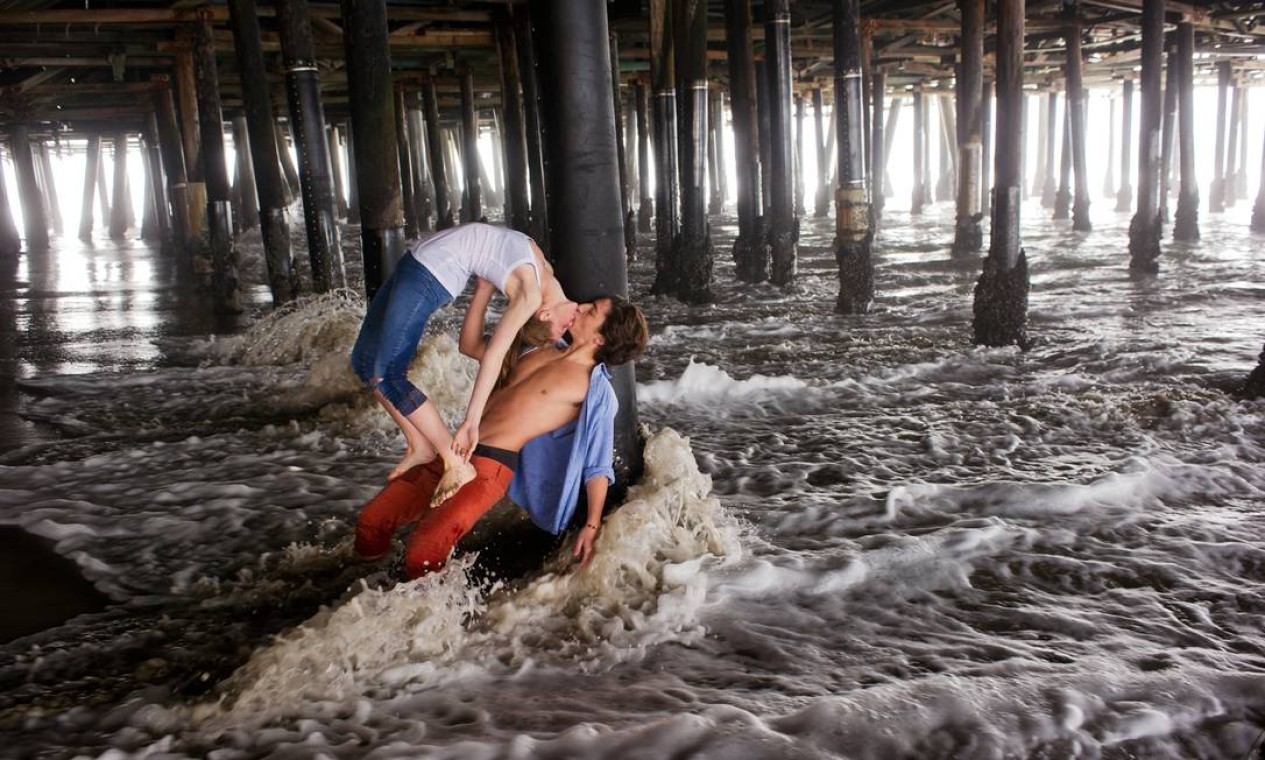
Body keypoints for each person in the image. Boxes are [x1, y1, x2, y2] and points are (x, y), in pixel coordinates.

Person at [354, 296, 649, 578]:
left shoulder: (595, 391)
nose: (581, 306)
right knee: (373, 520)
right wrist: (484, 288)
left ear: (600, 338)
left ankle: (423, 618)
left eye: (592, 310)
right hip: (452, 453)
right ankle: (363, 587)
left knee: (423, 551)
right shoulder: (542, 345)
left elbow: (597, 465)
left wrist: (592, 525)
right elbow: (472, 346)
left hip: (488, 468)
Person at [350, 223, 579, 502]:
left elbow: (493, 355)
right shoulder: (544, 271)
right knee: (363, 359)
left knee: (388, 373)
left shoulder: (530, 295)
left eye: (561, 330)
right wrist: (484, 286)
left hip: (432, 273)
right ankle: (418, 443)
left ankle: (453, 459)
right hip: (418, 261)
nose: (569, 327)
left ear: (543, 314)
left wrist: (472, 421)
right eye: (563, 330)